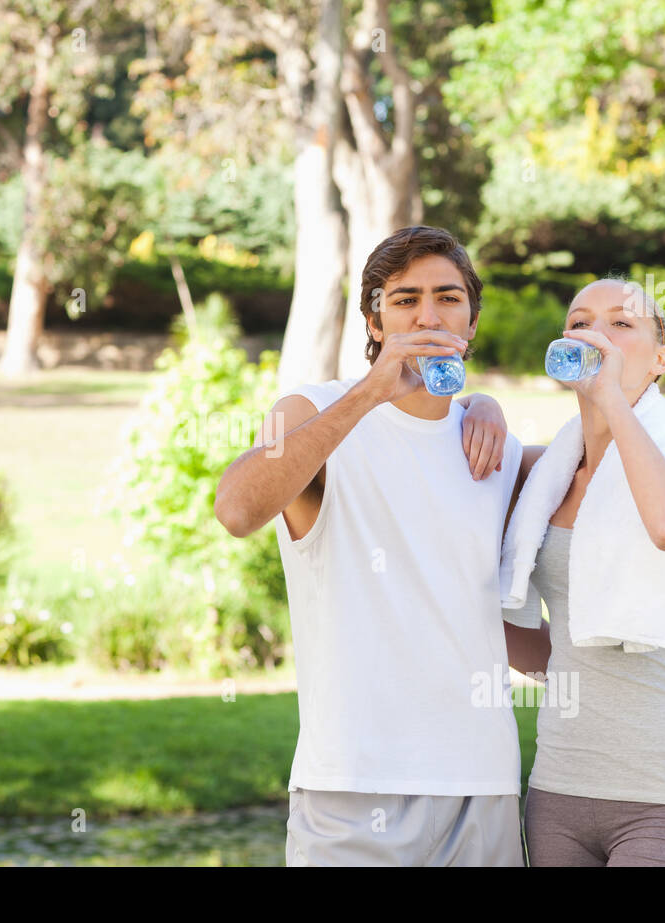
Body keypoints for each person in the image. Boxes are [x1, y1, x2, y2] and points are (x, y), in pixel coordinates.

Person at [215, 225, 526, 866]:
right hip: (351, 788)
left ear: (471, 318)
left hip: (482, 784)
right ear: (373, 319)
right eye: (404, 299)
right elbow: (237, 507)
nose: (427, 315)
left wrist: (484, 402)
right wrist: (372, 390)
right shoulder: (311, 410)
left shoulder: (492, 443)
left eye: (447, 297)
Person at [500, 276, 665, 867]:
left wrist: (609, 400)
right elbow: (536, 639)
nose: (595, 334)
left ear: (660, 361)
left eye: (621, 323)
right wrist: (480, 405)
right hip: (559, 788)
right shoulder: (537, 477)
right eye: (580, 323)